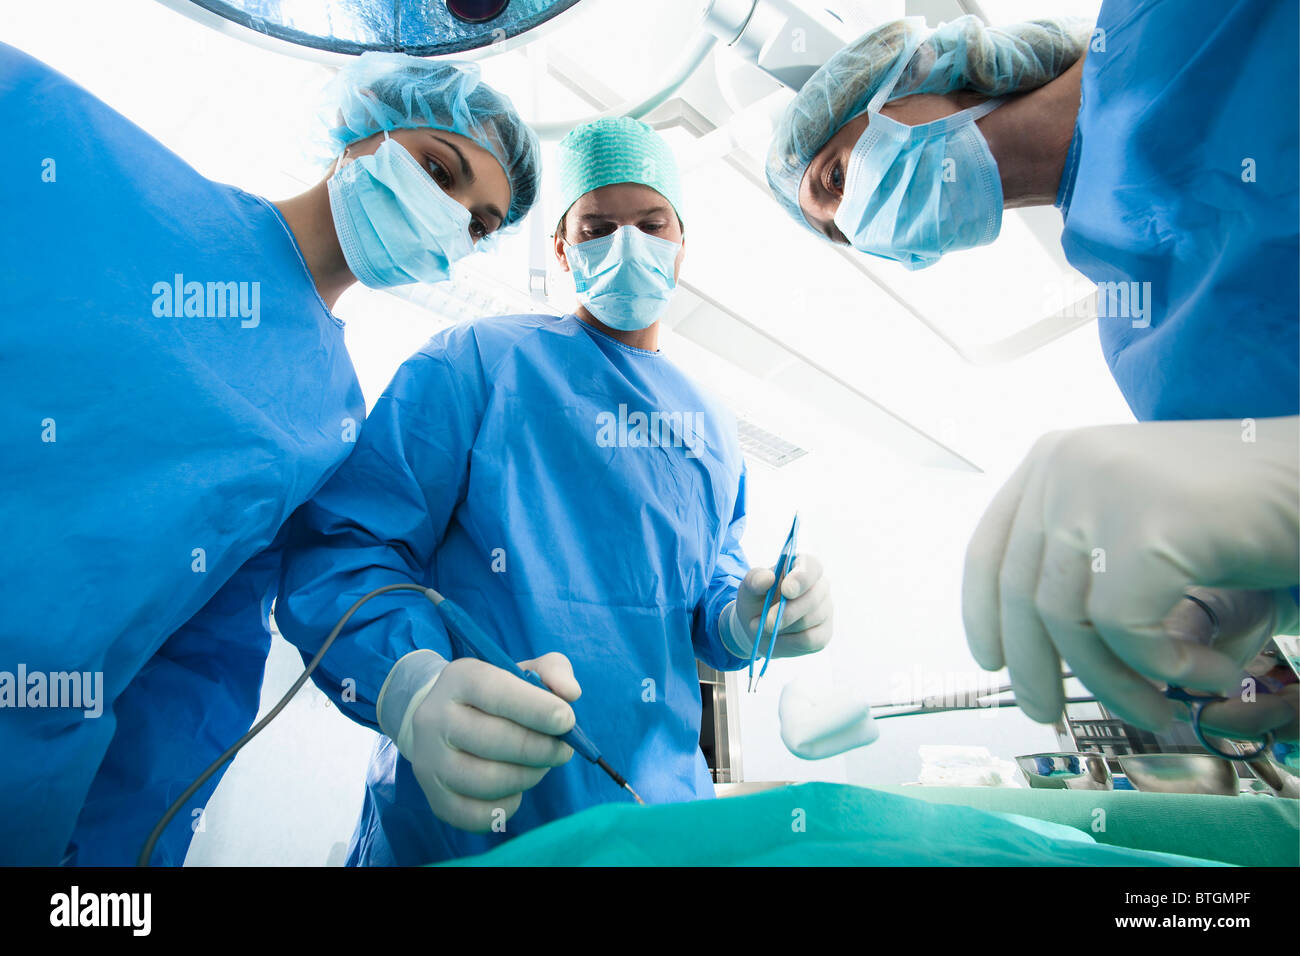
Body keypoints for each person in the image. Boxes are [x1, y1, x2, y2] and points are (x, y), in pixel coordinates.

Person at [0, 47, 540, 865]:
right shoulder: (64, 142)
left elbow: (195, 677)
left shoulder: (330, 420)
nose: (449, 216)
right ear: (367, 126)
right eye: (438, 167)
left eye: (477, 223)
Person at [275, 116, 835, 865]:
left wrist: (748, 617)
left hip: (655, 825)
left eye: (651, 222)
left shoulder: (712, 428)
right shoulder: (475, 364)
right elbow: (343, 555)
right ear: (564, 250)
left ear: (681, 244)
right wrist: (412, 684)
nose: (628, 242)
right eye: (599, 226)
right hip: (464, 822)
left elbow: (703, 600)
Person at [764, 5, 1298, 743]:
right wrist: (1256, 596)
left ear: (908, 78)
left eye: (834, 179)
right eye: (838, 233)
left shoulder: (1168, 21)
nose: (855, 224)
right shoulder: (1136, 328)